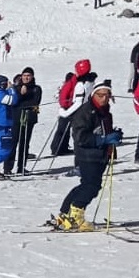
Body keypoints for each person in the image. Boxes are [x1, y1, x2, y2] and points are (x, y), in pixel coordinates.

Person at [52, 84, 121, 231]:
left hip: (101, 155)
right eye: (100, 95)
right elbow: (80, 136)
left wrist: (113, 138)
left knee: (86, 185)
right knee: (91, 187)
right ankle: (76, 214)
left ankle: (65, 212)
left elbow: (103, 131)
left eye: (106, 95)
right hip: (88, 155)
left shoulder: (105, 113)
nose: (104, 98)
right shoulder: (86, 111)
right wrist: (103, 139)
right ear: (93, 95)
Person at [50, 61, 94, 160]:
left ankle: (64, 147)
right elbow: (64, 95)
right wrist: (65, 108)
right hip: (68, 107)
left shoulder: (84, 83)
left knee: (69, 130)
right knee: (62, 129)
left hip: (76, 109)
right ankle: (56, 148)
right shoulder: (72, 82)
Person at [5, 67, 42, 175]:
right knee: (13, 143)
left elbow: (35, 102)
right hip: (16, 119)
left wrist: (25, 96)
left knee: (24, 144)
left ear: (32, 77)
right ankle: (7, 168)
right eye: (24, 75)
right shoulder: (16, 88)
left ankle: (21, 167)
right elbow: (13, 102)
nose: (26, 77)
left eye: (28, 75)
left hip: (29, 119)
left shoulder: (36, 88)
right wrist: (20, 94)